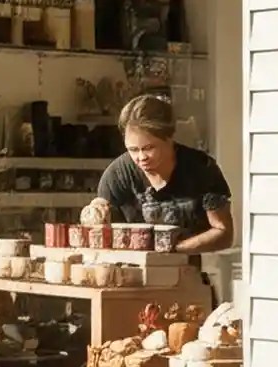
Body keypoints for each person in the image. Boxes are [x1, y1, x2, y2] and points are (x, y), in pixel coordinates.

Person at [97, 94, 234, 253]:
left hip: (187, 262)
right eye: (133, 150)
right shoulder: (118, 175)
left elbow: (224, 233)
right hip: (131, 265)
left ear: (169, 137)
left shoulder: (201, 168)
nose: (141, 157)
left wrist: (171, 250)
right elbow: (100, 232)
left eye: (149, 148)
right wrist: (96, 212)